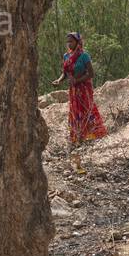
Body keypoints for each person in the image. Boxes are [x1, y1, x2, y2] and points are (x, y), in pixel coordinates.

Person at [52, 32, 108, 173]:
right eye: (68, 42)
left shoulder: (84, 56)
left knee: (87, 109)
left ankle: (91, 133)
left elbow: (91, 73)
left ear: (77, 42)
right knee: (75, 111)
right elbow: (65, 73)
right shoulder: (67, 56)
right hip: (73, 90)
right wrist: (59, 80)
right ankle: (78, 135)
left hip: (84, 88)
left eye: (71, 41)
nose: (69, 44)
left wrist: (78, 80)